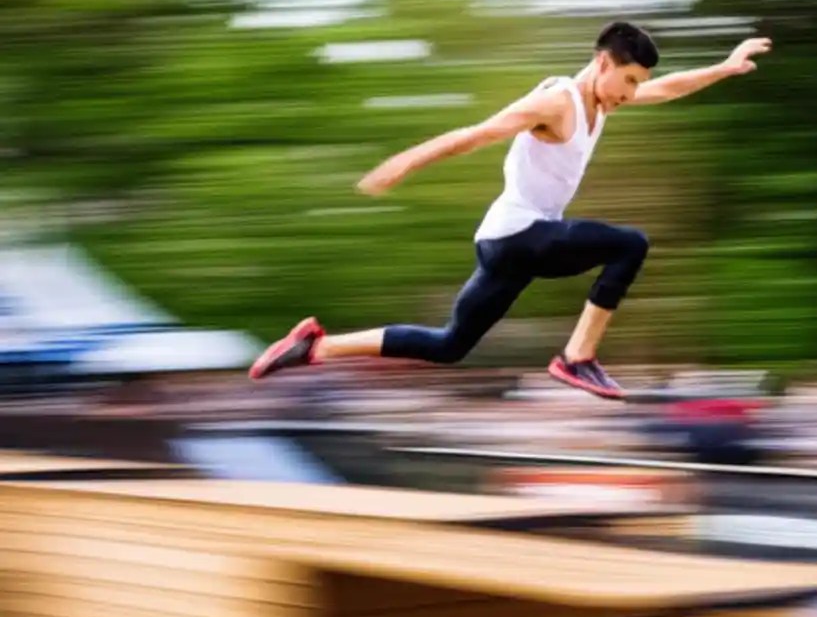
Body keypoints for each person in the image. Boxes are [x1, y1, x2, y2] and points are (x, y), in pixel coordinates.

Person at [249, 21, 772, 399]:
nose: (631, 93)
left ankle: (316, 346)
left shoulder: (603, 100)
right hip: (518, 237)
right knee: (630, 244)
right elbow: (478, 133)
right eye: (627, 81)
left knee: (450, 345)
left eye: (635, 84)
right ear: (602, 63)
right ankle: (577, 357)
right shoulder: (556, 102)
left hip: (511, 245)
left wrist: (725, 68)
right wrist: (403, 163)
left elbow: (666, 87)